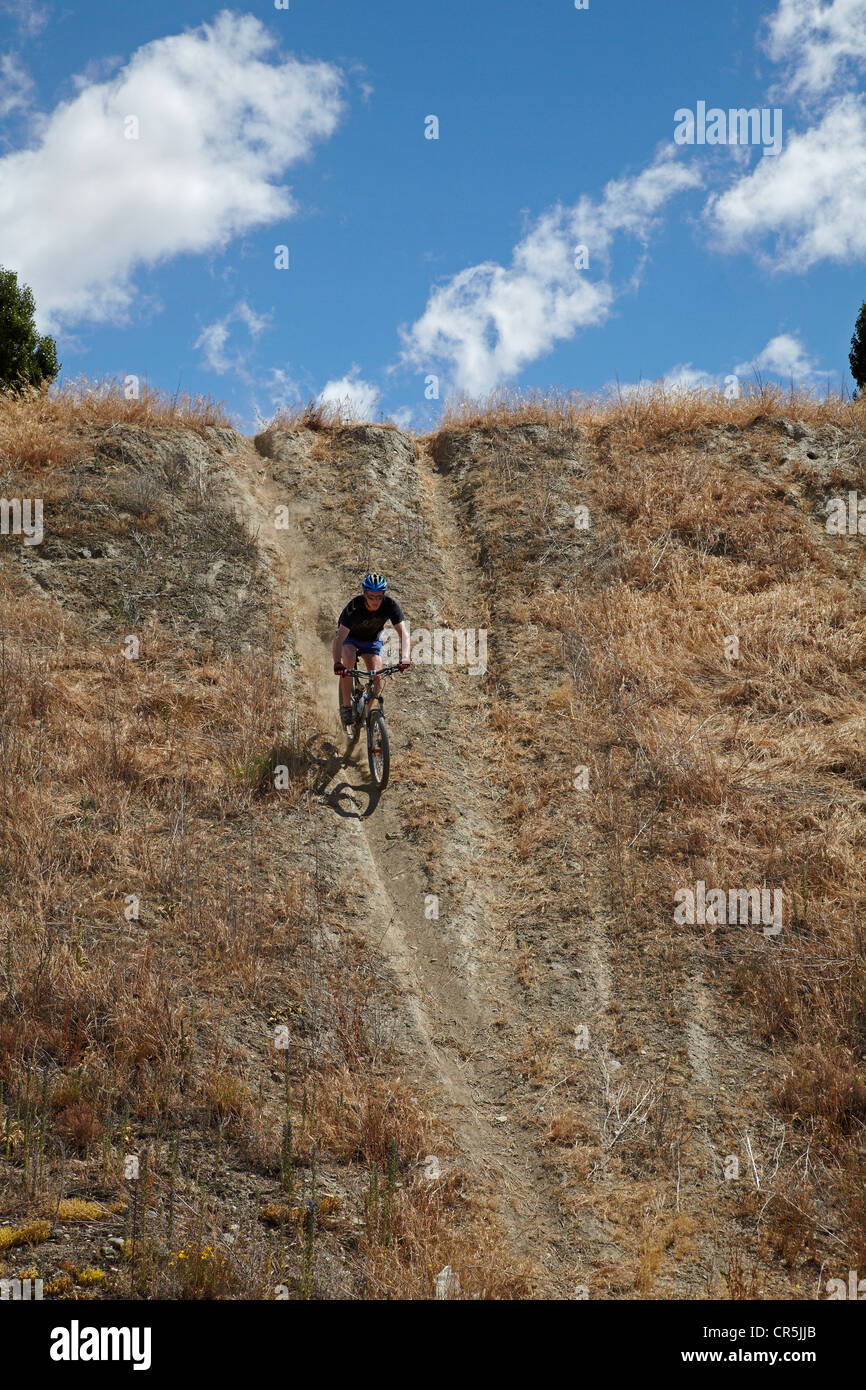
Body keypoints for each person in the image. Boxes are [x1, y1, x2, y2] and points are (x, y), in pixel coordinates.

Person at [333, 573, 411, 726]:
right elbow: (339, 639)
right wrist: (337, 663)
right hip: (350, 638)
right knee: (348, 661)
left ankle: (367, 715)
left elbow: (404, 634)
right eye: (371, 597)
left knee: (377, 676)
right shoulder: (354, 607)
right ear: (364, 594)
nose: (375, 601)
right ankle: (347, 707)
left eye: (379, 597)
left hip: (371, 641)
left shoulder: (390, 605)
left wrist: (405, 657)